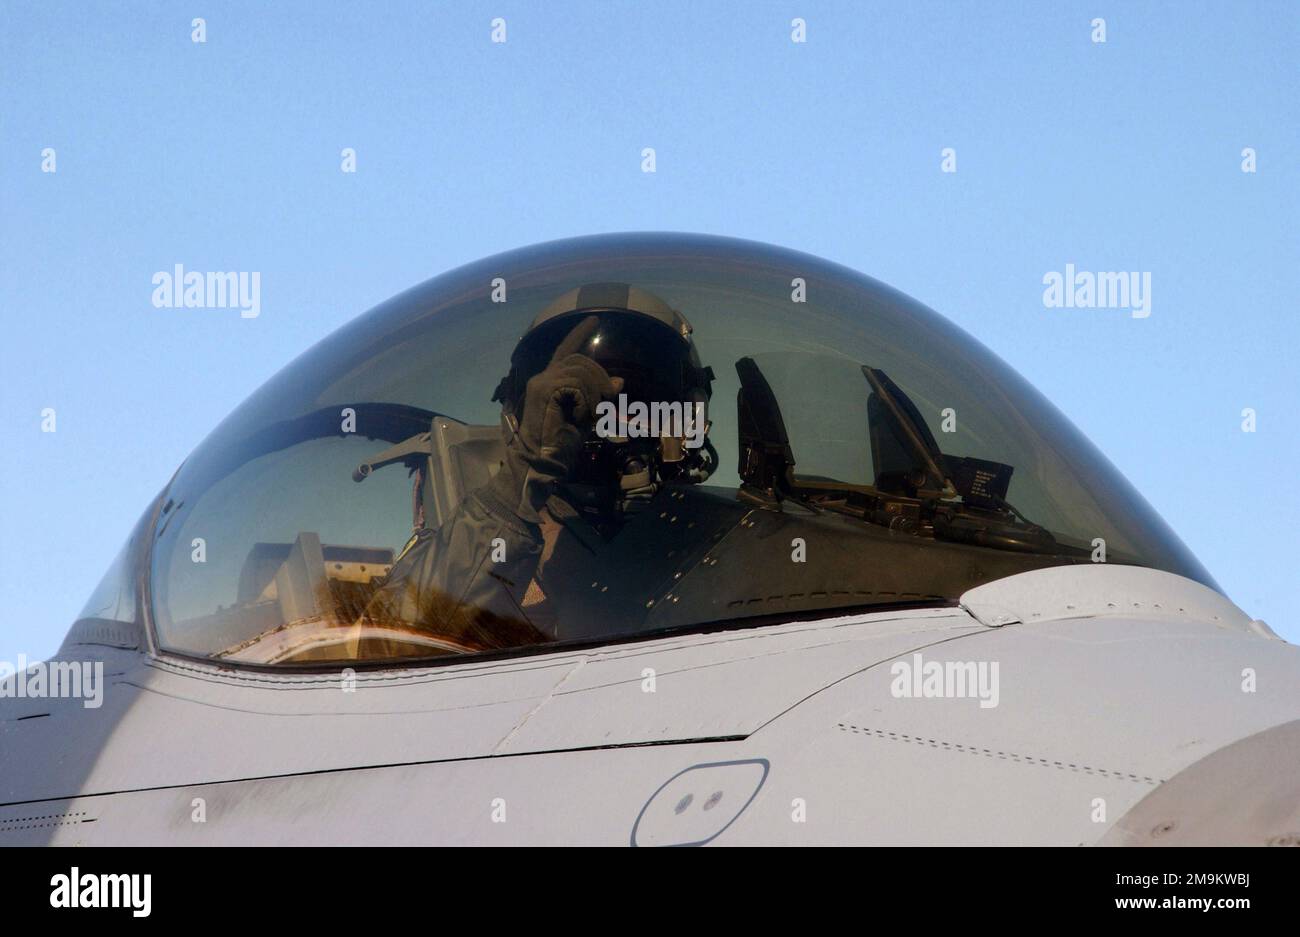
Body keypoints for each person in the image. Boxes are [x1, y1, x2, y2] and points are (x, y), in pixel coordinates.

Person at [363, 283, 716, 651]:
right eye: (567, 401)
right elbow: (390, 650)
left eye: (635, 400)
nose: (600, 417)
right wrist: (517, 486)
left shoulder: (719, 535)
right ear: (522, 411)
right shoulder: (479, 542)